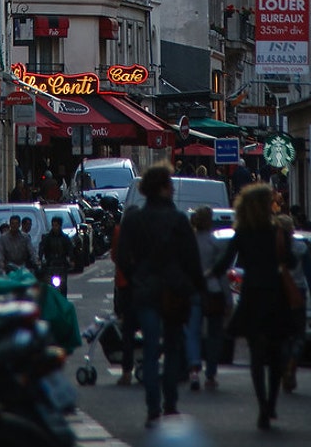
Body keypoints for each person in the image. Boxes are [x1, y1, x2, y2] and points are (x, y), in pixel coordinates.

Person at [116, 162, 203, 429]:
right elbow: (192, 259)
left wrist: (135, 279)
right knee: (173, 348)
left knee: (151, 349)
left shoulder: (133, 220)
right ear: (164, 188)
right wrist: (194, 287)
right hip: (174, 290)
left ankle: (153, 409)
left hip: (145, 290)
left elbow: (122, 257)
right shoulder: (178, 220)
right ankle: (171, 404)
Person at [213, 181, 293, 429]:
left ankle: (262, 406)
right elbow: (291, 261)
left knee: (257, 356)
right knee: (276, 354)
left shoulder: (243, 232)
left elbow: (224, 263)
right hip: (275, 295)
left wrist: (203, 275)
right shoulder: (277, 231)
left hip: (252, 296)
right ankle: (272, 402)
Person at [186, 206, 231, 392]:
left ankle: (194, 368)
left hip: (193, 290)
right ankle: (211, 374)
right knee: (214, 334)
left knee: (193, 331)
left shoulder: (189, 243)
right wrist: (228, 299)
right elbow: (221, 274)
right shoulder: (215, 243)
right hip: (213, 291)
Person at [277, 214, 311, 392]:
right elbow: (310, 278)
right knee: (298, 335)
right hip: (298, 293)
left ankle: (285, 369)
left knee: (282, 336)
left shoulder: (274, 248)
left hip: (280, 293)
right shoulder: (301, 248)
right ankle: (292, 364)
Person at [111, 220, 137, 386]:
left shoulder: (119, 231)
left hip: (124, 284)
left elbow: (115, 255)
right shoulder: (146, 228)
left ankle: (127, 371)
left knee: (127, 328)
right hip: (144, 284)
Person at [39, 215, 75, 296]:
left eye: (56, 225)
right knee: (48, 286)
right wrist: (40, 258)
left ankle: (63, 299)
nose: (55, 227)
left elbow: (70, 249)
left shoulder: (65, 238)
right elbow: (42, 248)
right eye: (53, 225)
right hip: (50, 264)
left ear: (60, 226)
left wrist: (71, 259)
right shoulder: (47, 238)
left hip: (62, 265)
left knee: (63, 286)